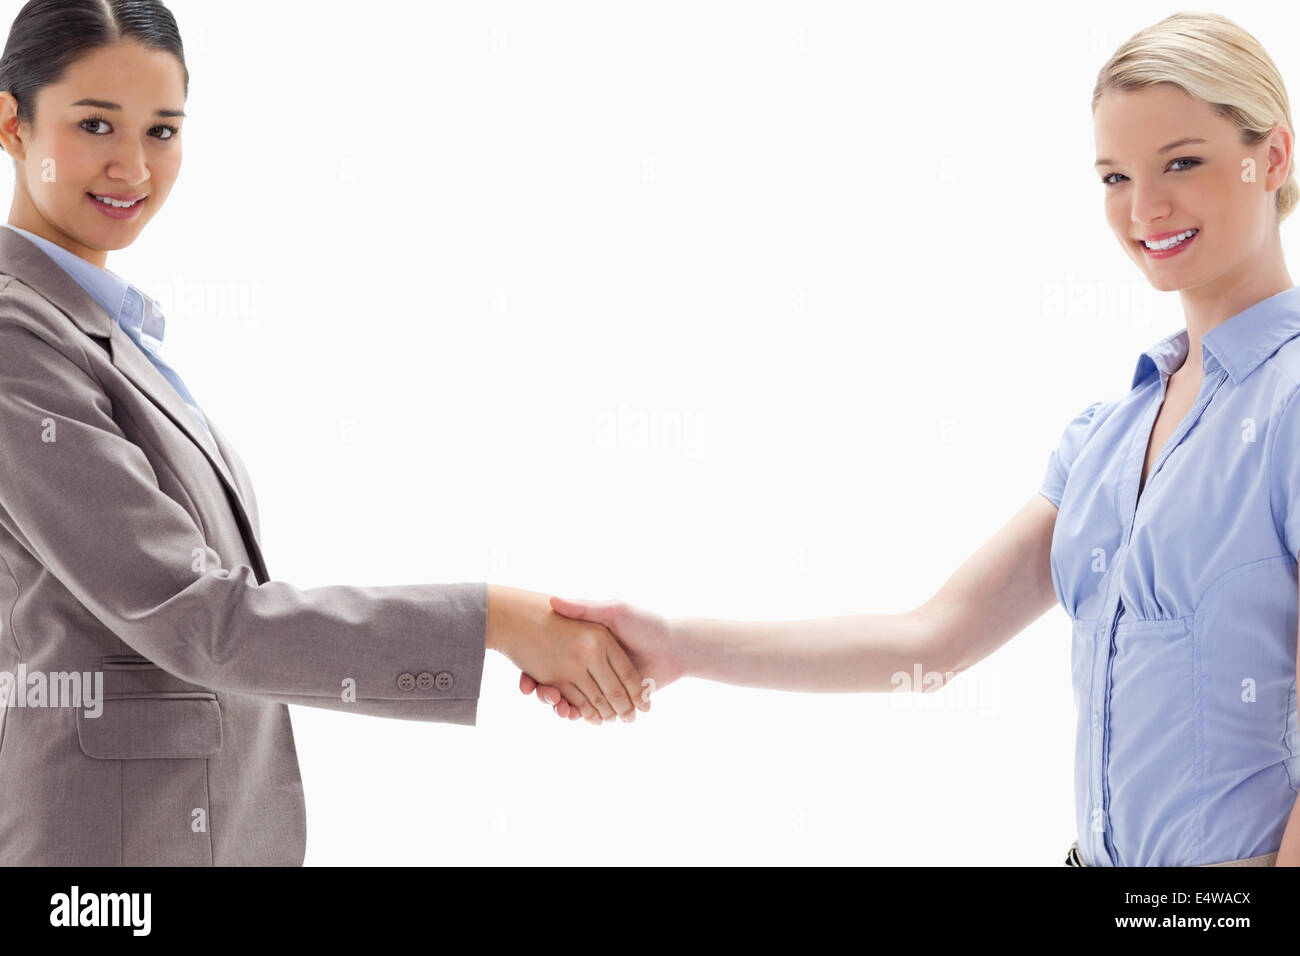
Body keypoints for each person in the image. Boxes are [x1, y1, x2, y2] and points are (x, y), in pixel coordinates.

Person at [521, 11, 1300, 867]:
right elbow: (933, 640)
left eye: (1180, 163)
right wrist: (679, 647)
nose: (1143, 209)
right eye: (1114, 176)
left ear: (1274, 156)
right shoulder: (1111, 431)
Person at [0, 0, 647, 867]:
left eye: (163, 130)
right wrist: (494, 621)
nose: (133, 164)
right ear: (12, 124)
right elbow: (196, 617)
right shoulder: (16, 337)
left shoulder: (99, 330)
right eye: (94, 124)